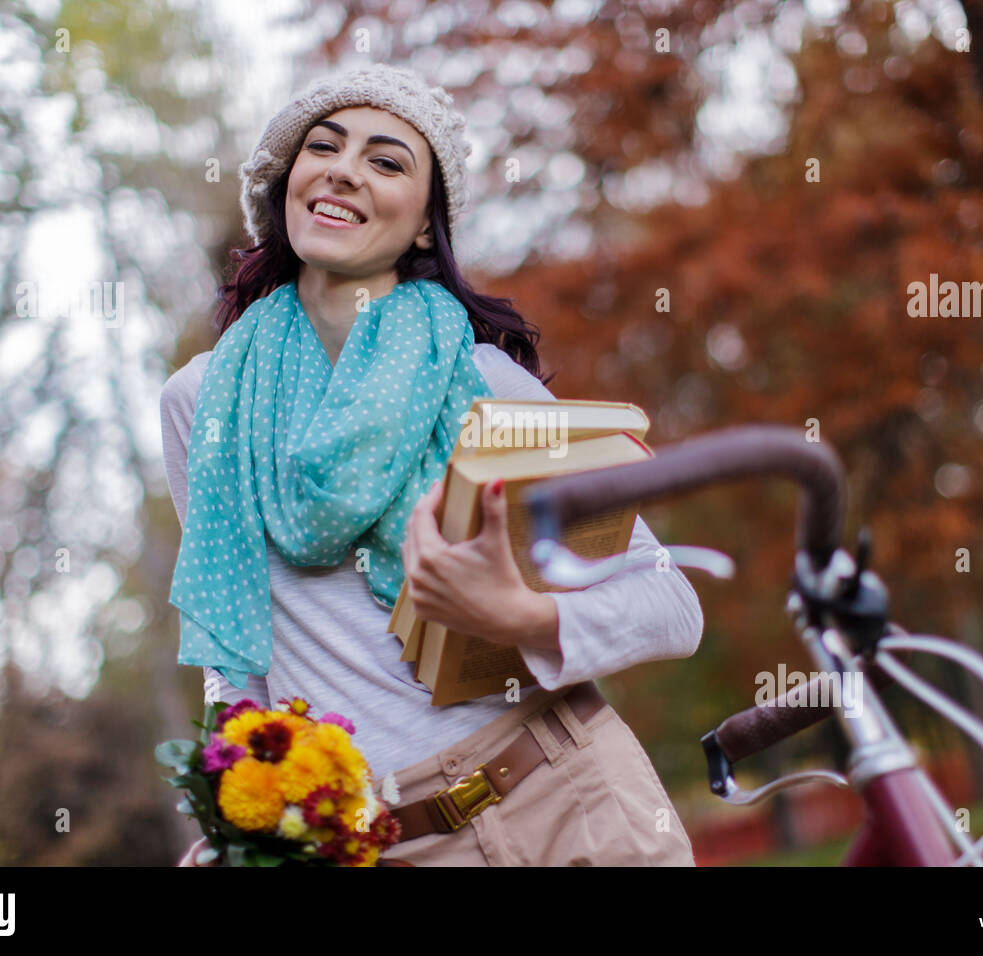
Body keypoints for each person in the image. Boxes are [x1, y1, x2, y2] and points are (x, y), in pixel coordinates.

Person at [161, 62, 704, 866]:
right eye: (324, 146)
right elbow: (235, 656)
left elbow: (671, 603)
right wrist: (234, 818)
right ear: (287, 183)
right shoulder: (204, 404)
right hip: (383, 845)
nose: (345, 169)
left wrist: (524, 619)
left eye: (386, 161)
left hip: (572, 798)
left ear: (424, 224)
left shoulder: (484, 383)